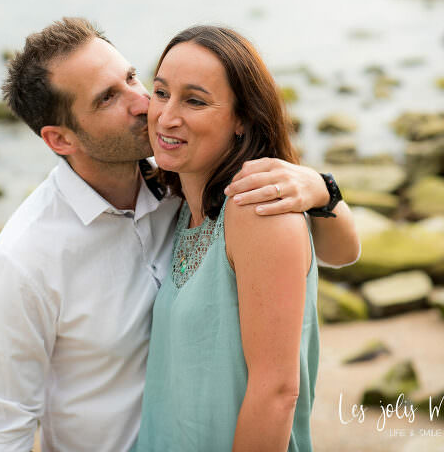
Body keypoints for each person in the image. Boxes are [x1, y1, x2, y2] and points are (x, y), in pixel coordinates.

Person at [0, 18, 359, 452]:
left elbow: (339, 254)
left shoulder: (183, 186)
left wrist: (322, 190)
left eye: (133, 78)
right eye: (108, 99)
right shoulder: (24, 259)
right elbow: (3, 428)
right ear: (60, 139)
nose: (144, 105)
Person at [133, 25, 326, 452]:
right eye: (161, 93)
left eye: (195, 101)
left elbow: (277, 393)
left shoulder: (256, 210)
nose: (166, 117)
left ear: (242, 119)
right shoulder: (183, 205)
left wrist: (324, 188)